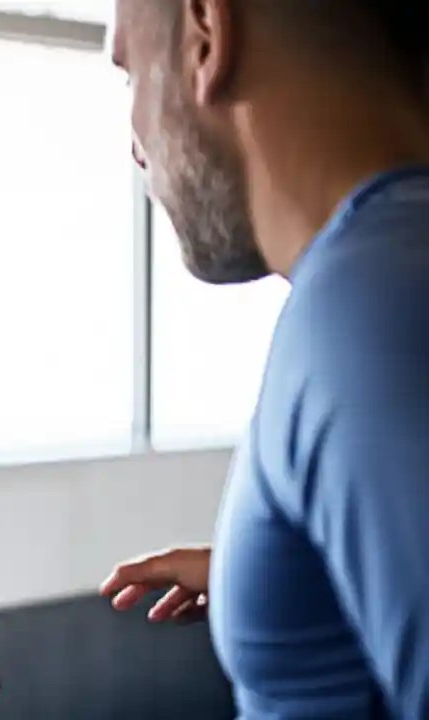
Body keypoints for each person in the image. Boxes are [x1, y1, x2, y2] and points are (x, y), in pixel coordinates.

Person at [99, 0, 429, 717]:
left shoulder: (370, 303)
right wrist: (290, 567)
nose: (135, 145)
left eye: (131, 72)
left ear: (206, 33)